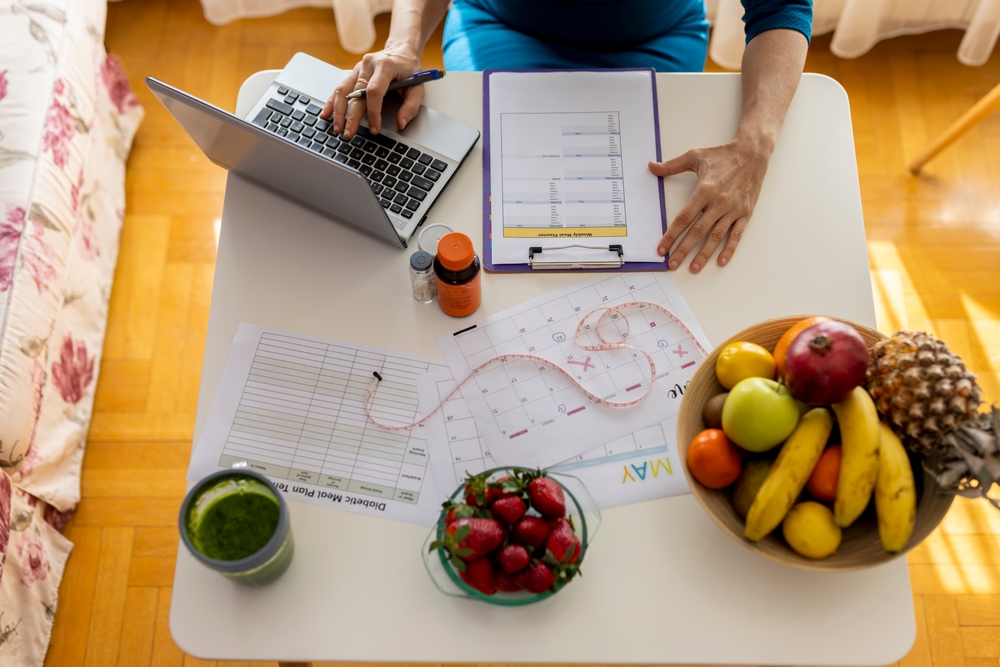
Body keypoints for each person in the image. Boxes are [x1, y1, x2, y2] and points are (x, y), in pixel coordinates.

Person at [322, 0, 812, 272]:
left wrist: (755, 143)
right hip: (503, 27)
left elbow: (781, 6)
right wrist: (403, 46)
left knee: (637, 237)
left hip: (652, 42)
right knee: (492, 216)